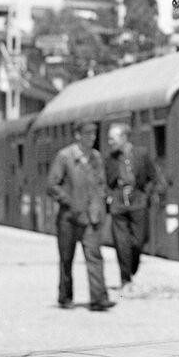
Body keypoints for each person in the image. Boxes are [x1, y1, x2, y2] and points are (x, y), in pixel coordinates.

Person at [47, 121, 113, 311]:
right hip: (68, 218)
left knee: (95, 256)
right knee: (66, 259)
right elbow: (52, 185)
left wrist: (99, 205)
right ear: (77, 135)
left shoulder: (96, 157)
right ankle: (65, 297)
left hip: (91, 217)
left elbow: (101, 184)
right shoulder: (65, 156)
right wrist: (69, 201)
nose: (92, 137)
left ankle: (98, 299)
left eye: (94, 133)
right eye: (87, 133)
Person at [104, 121, 160, 290]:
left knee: (138, 241)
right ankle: (125, 278)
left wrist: (146, 195)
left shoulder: (141, 154)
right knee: (121, 243)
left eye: (112, 139)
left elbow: (154, 178)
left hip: (138, 202)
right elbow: (104, 182)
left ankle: (131, 266)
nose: (109, 142)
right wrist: (108, 197)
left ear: (124, 137)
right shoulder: (110, 159)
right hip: (118, 204)